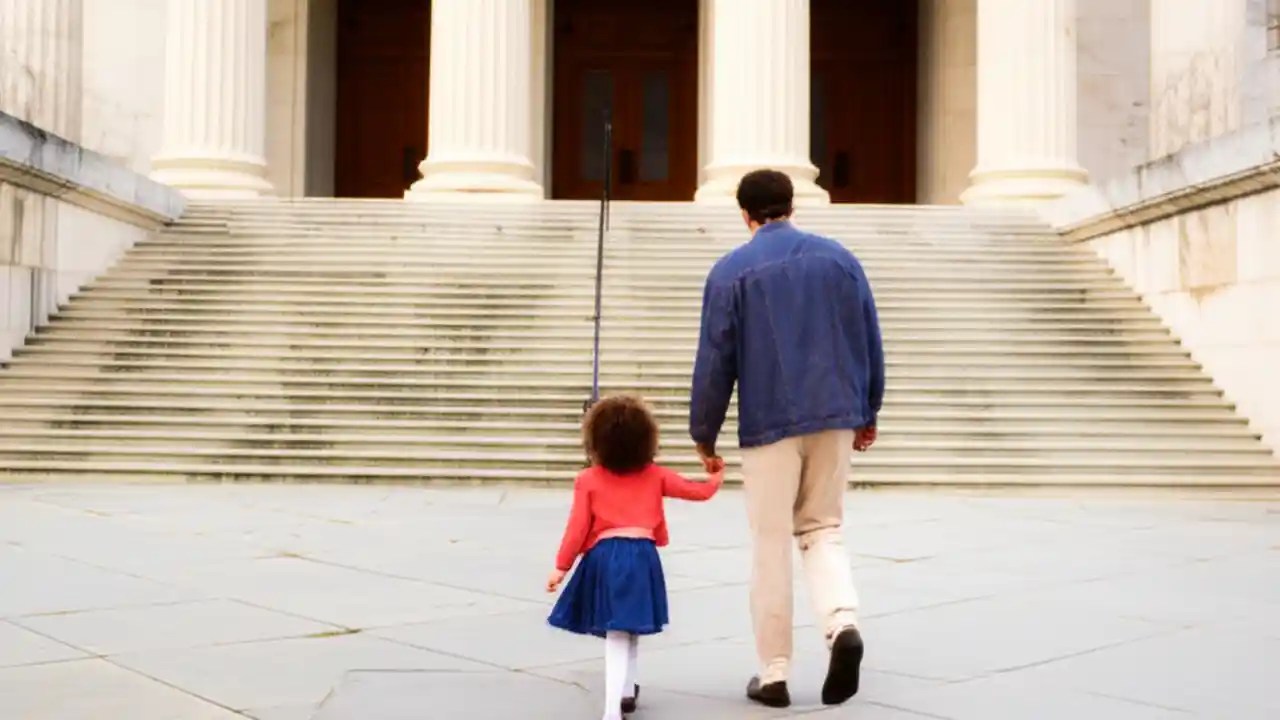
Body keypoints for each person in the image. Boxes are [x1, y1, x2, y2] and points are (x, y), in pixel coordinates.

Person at [689, 169, 885, 708]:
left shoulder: (732, 271)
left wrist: (703, 433)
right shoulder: (840, 260)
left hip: (769, 422)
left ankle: (773, 673)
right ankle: (842, 624)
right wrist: (868, 408)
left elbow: (715, 360)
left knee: (770, 542)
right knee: (823, 527)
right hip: (835, 413)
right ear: (792, 205)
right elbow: (869, 337)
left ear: (745, 214)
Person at [547, 395, 725, 720]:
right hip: (642, 555)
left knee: (615, 631)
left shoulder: (588, 480)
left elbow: (576, 528)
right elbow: (698, 491)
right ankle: (627, 690)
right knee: (631, 626)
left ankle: (612, 708)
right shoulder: (655, 475)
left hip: (605, 555)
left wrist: (561, 567)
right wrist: (716, 474)